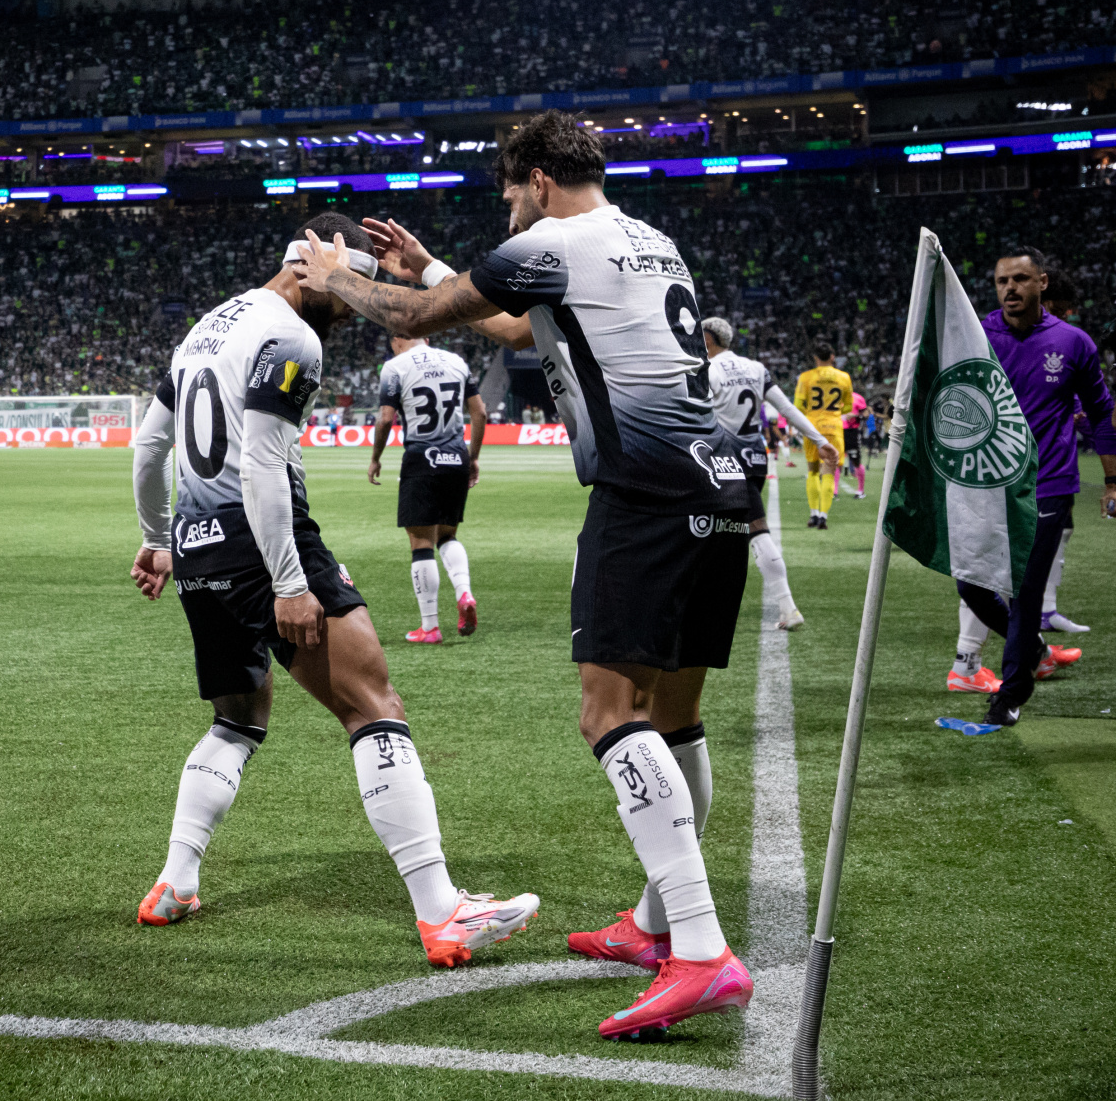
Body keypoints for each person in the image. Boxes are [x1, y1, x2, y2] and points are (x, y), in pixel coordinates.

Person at [294, 111, 756, 1042]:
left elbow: (421, 321)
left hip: (644, 498)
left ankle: (702, 952)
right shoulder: (649, 239)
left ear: (538, 181)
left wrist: (334, 274)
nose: (508, 211)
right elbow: (523, 330)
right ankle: (657, 926)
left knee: (609, 714)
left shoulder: (547, 240)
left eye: (509, 194)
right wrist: (427, 263)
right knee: (677, 718)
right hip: (722, 494)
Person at [128, 212, 539, 964]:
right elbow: (257, 463)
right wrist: (290, 581)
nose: (353, 305)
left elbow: (149, 443)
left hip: (197, 549)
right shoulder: (292, 335)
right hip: (264, 549)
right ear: (310, 266)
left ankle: (176, 882)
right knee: (373, 705)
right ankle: (442, 912)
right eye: (346, 288)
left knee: (238, 720)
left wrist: (159, 539)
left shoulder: (208, 328)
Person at [956, 247, 1116, 728]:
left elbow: (1102, 412)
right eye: (1003, 280)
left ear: (1042, 282)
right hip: (986, 484)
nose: (1011, 289)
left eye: (1021, 279)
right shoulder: (975, 334)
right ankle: (1034, 647)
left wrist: (1112, 480)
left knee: (1025, 590)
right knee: (972, 584)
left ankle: (1010, 693)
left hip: (1049, 484)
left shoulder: (1073, 342)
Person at [702, 316, 838, 630]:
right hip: (755, 457)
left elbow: (699, 417)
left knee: (751, 528)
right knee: (730, 530)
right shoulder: (755, 368)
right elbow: (788, 408)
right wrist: (818, 440)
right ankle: (716, 600)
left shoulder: (707, 371)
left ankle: (788, 607)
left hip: (725, 459)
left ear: (709, 339)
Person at [371, 333, 484, 643]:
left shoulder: (395, 367)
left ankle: (430, 627)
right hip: (456, 455)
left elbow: (385, 420)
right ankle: (464, 594)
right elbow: (480, 413)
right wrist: (472, 458)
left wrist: (375, 459)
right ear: (427, 335)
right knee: (447, 534)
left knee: (421, 544)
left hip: (422, 458)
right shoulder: (456, 361)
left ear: (396, 339)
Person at [1038, 267, 1090, 635]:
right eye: (1066, 309)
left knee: (1064, 529)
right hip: (1033, 463)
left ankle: (1047, 609)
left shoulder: (1064, 343)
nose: (1069, 317)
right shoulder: (1028, 341)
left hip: (1061, 461)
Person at [794, 345, 854, 528]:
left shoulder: (806, 377)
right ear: (833, 357)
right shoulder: (844, 377)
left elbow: (797, 405)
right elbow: (848, 407)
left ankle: (812, 515)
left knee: (812, 472)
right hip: (834, 428)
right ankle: (823, 516)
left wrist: (812, 413)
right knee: (829, 473)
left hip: (812, 427)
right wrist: (834, 411)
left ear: (815, 358)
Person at [840, 391, 869, 500]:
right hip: (837, 431)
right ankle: (834, 492)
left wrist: (855, 415)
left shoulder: (858, 398)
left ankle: (860, 491)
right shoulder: (835, 396)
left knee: (855, 461)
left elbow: (866, 414)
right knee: (836, 460)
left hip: (852, 432)